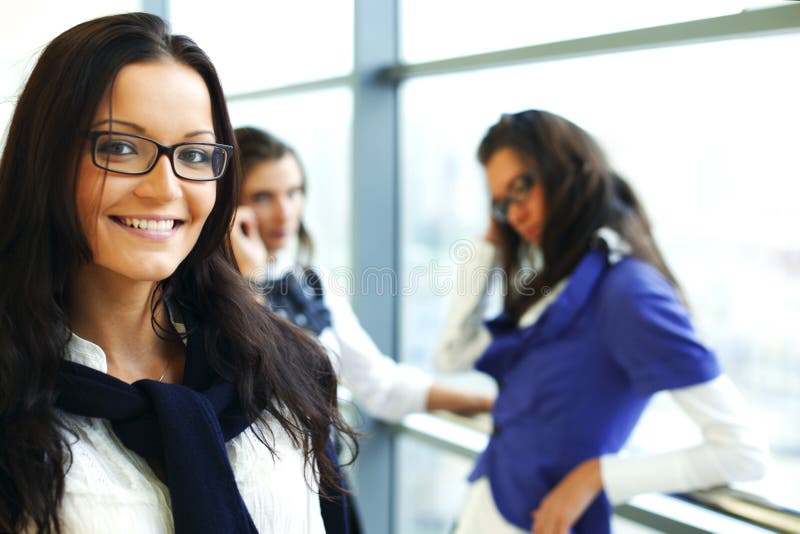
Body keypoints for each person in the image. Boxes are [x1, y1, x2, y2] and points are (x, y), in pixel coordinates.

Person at [0, 13, 354, 534]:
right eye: (120, 147)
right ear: (47, 158)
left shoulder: (282, 368)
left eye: (192, 153)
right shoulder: (14, 396)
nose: (165, 188)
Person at [434, 110, 768, 534]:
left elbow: (744, 453)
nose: (514, 215)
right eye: (502, 204)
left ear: (566, 171)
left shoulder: (628, 291)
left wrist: (597, 476)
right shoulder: (562, 284)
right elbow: (451, 354)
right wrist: (488, 245)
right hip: (485, 508)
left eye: (521, 187)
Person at [230, 126, 494, 424]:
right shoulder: (201, 289)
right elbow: (240, 389)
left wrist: (490, 403)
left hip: (321, 466)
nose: (285, 212)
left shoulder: (312, 282)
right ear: (230, 205)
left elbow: (379, 384)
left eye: (294, 193)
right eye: (263, 197)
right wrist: (250, 280)